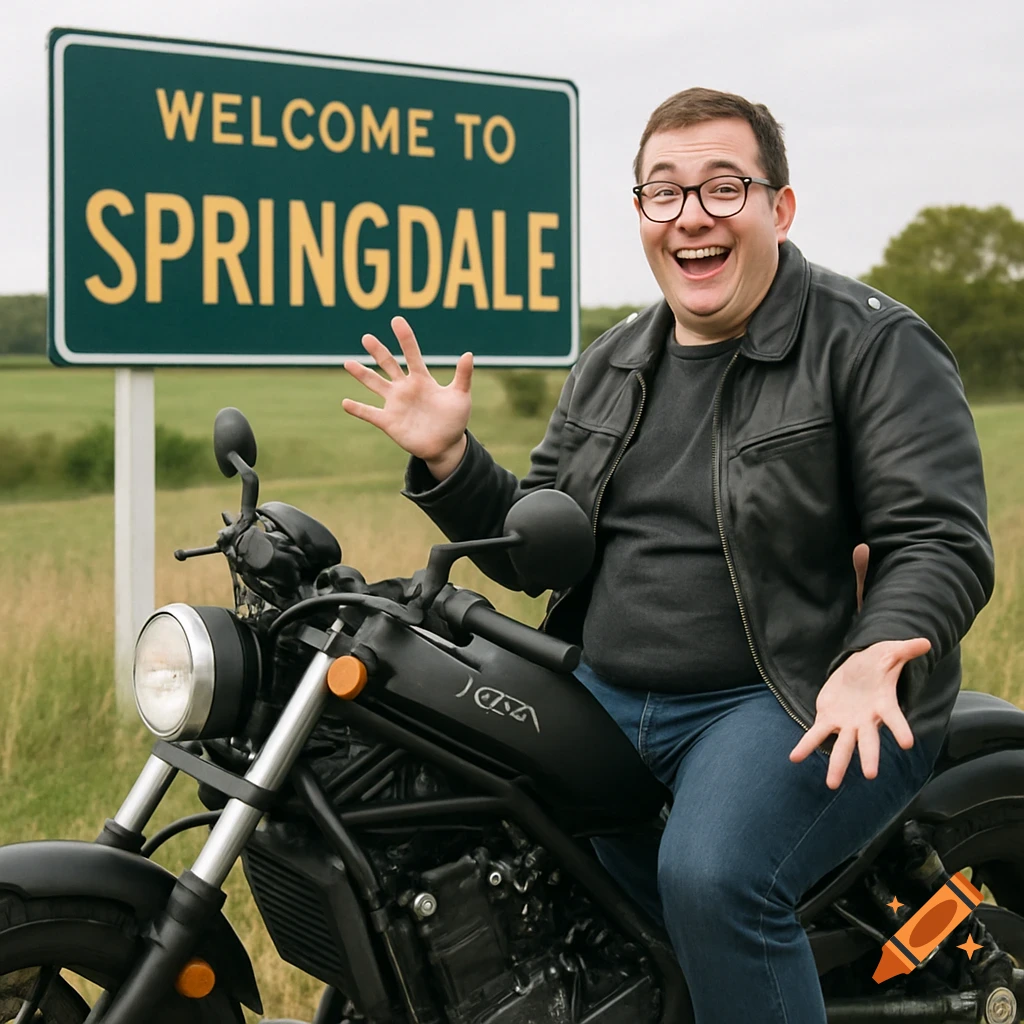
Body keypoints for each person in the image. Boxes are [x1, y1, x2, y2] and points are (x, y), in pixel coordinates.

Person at [341, 87, 994, 1024]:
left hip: (795, 694)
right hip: (607, 688)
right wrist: (450, 459)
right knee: (460, 814)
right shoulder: (612, 362)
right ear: (642, 213)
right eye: (665, 192)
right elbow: (538, 548)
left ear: (782, 206)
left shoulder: (873, 345)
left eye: (725, 188)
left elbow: (937, 536)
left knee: (714, 877)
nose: (692, 215)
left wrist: (876, 650)